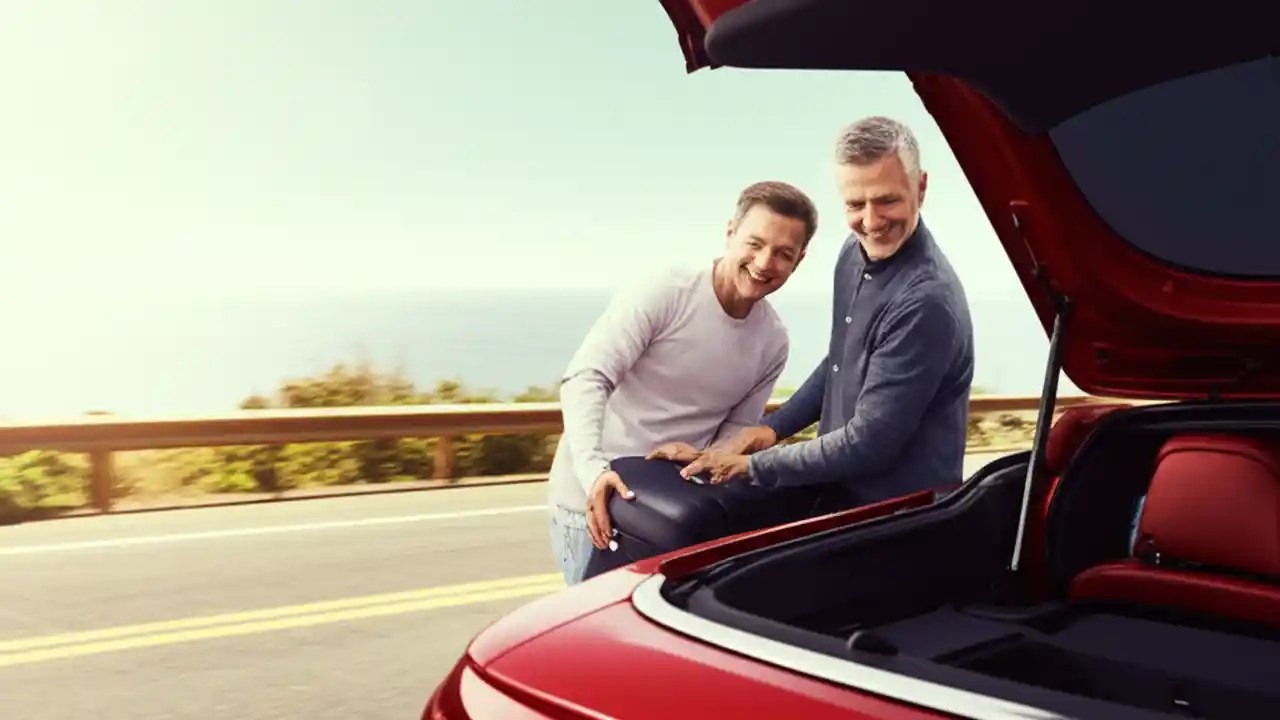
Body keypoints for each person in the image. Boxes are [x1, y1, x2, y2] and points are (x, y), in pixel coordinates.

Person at [674, 116, 975, 505]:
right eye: (855, 204)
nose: (870, 222)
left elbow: (869, 443)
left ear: (921, 188)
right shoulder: (853, 253)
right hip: (839, 492)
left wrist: (753, 466)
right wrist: (772, 429)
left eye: (887, 200)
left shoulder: (925, 302)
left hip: (899, 519)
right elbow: (843, 358)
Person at [547, 181, 819, 584]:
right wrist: (594, 472)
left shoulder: (773, 341)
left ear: (799, 260)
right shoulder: (667, 291)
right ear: (730, 233)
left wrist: (701, 456)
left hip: (669, 510)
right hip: (595, 500)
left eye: (783, 254)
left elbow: (736, 433)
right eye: (754, 243)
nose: (764, 263)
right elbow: (586, 377)